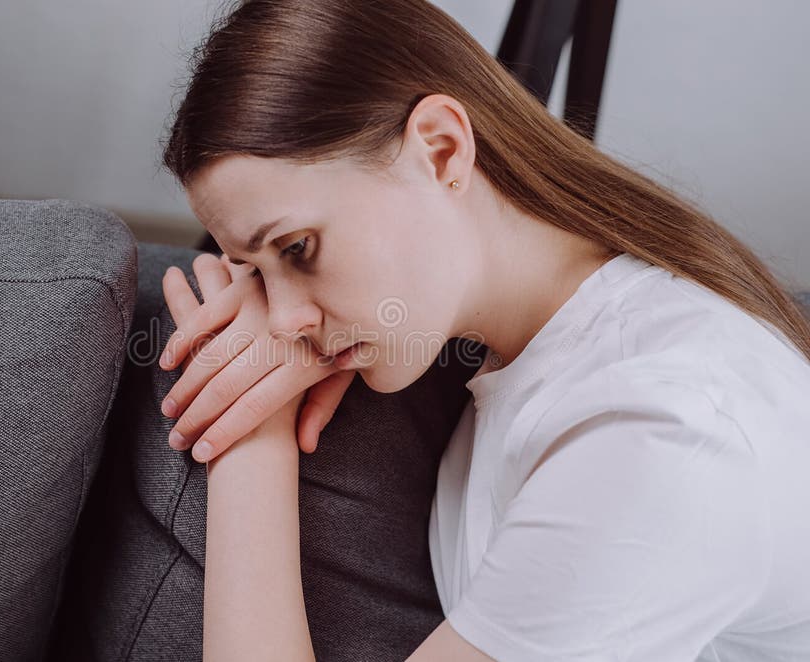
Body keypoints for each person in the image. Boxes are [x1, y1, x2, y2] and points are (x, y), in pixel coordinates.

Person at [154, 0, 810, 659]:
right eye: (256, 275)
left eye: (297, 249)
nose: (285, 319)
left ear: (441, 149)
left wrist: (243, 432)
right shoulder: (523, 343)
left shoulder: (659, 435)